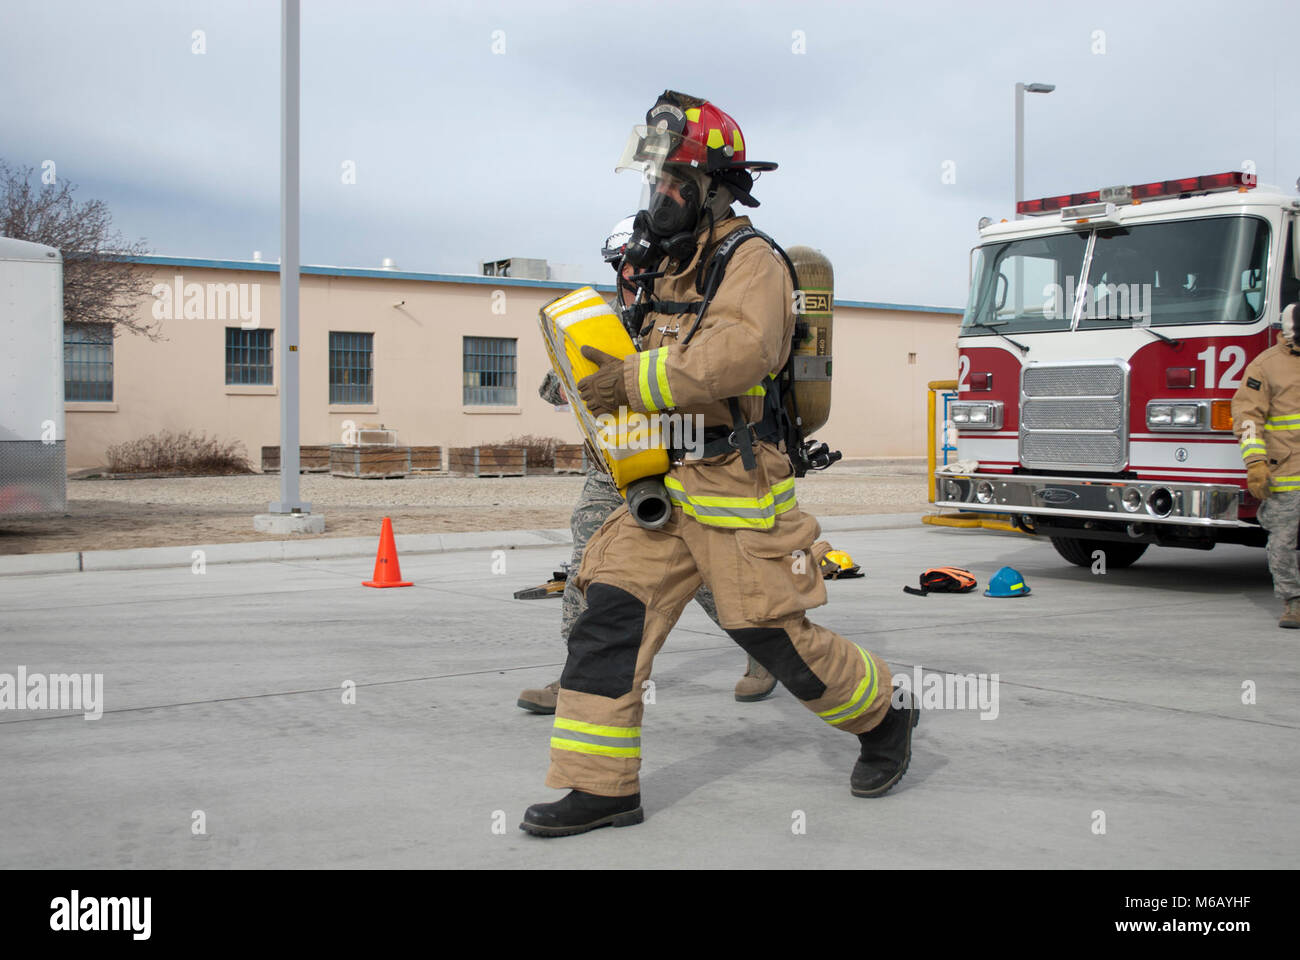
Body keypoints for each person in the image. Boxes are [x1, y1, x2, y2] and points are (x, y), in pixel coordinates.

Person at [520, 91, 916, 838]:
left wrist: (630, 380)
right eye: (655, 182)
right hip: (662, 489)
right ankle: (600, 788)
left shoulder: (752, 261)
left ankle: (885, 720)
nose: (658, 196)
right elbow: (644, 352)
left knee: (777, 640)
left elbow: (736, 356)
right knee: (607, 622)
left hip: (734, 487)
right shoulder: (671, 268)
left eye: (672, 182)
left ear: (712, 186)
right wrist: (589, 372)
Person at [516, 216, 776, 715]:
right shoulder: (609, 320)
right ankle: (578, 679)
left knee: (702, 569)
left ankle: (765, 650)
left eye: (640, 265)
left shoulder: (690, 315)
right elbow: (555, 386)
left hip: (680, 455)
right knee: (588, 563)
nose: (632, 274)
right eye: (623, 267)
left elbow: (714, 375)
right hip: (614, 461)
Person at [1233, 301, 1300, 628]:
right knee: (1283, 540)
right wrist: (1255, 463)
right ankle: (1294, 602)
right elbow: (1247, 419)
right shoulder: (1266, 366)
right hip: (1288, 474)